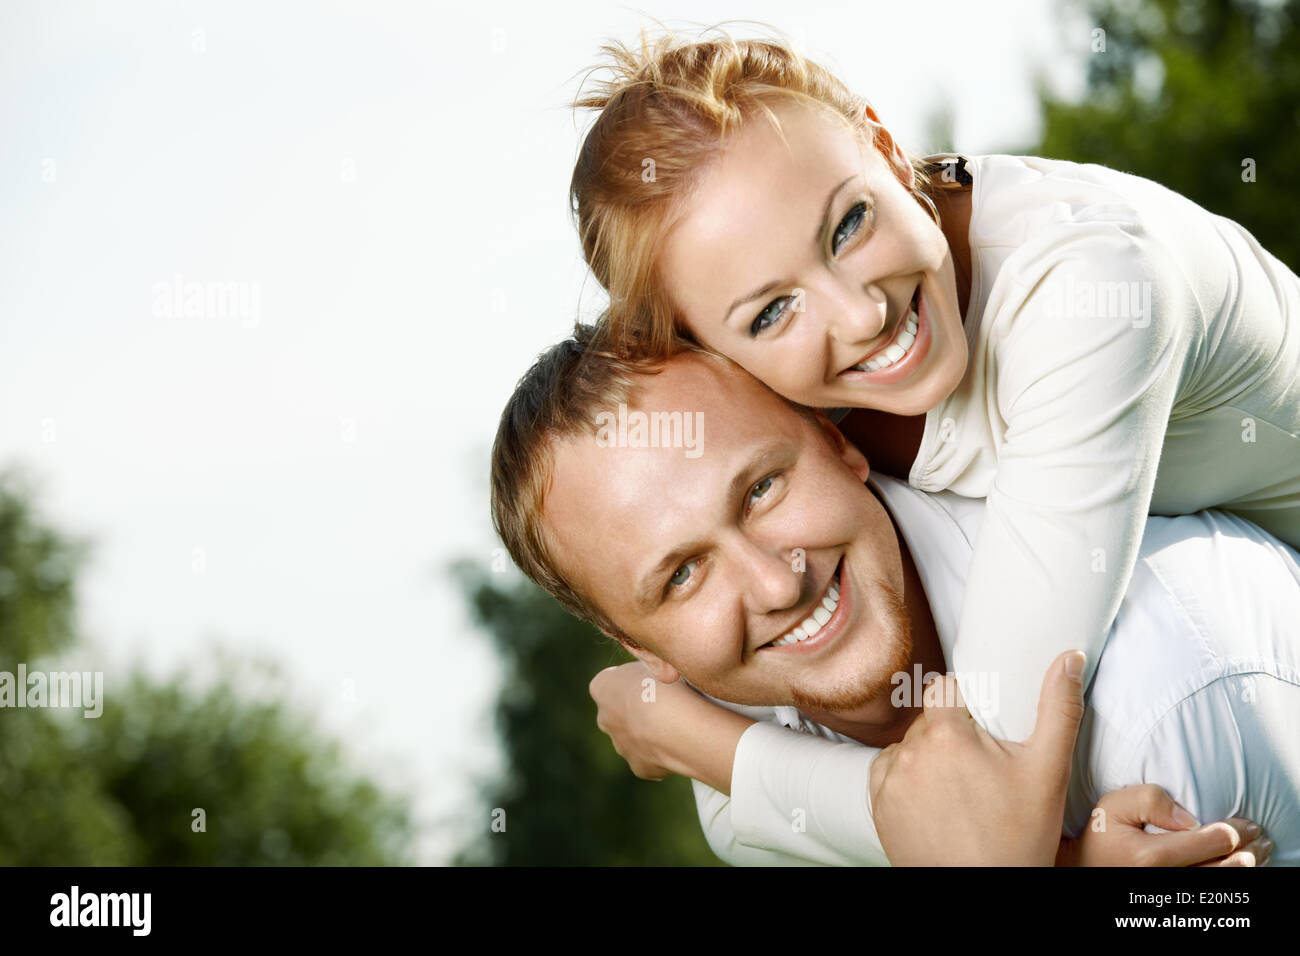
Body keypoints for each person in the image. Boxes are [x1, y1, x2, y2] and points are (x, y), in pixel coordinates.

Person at [568, 30, 1300, 753]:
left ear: (884, 146)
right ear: (709, 350)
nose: (862, 315)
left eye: (849, 224)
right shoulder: (781, 432)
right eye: (772, 312)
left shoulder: (1091, 289)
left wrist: (713, 751)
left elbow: (997, 751)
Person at [490, 333, 1294, 865]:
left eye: (763, 489)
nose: (777, 583)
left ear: (839, 444)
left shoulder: (1166, 698)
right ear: (640, 647)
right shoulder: (743, 808)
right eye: (682, 576)